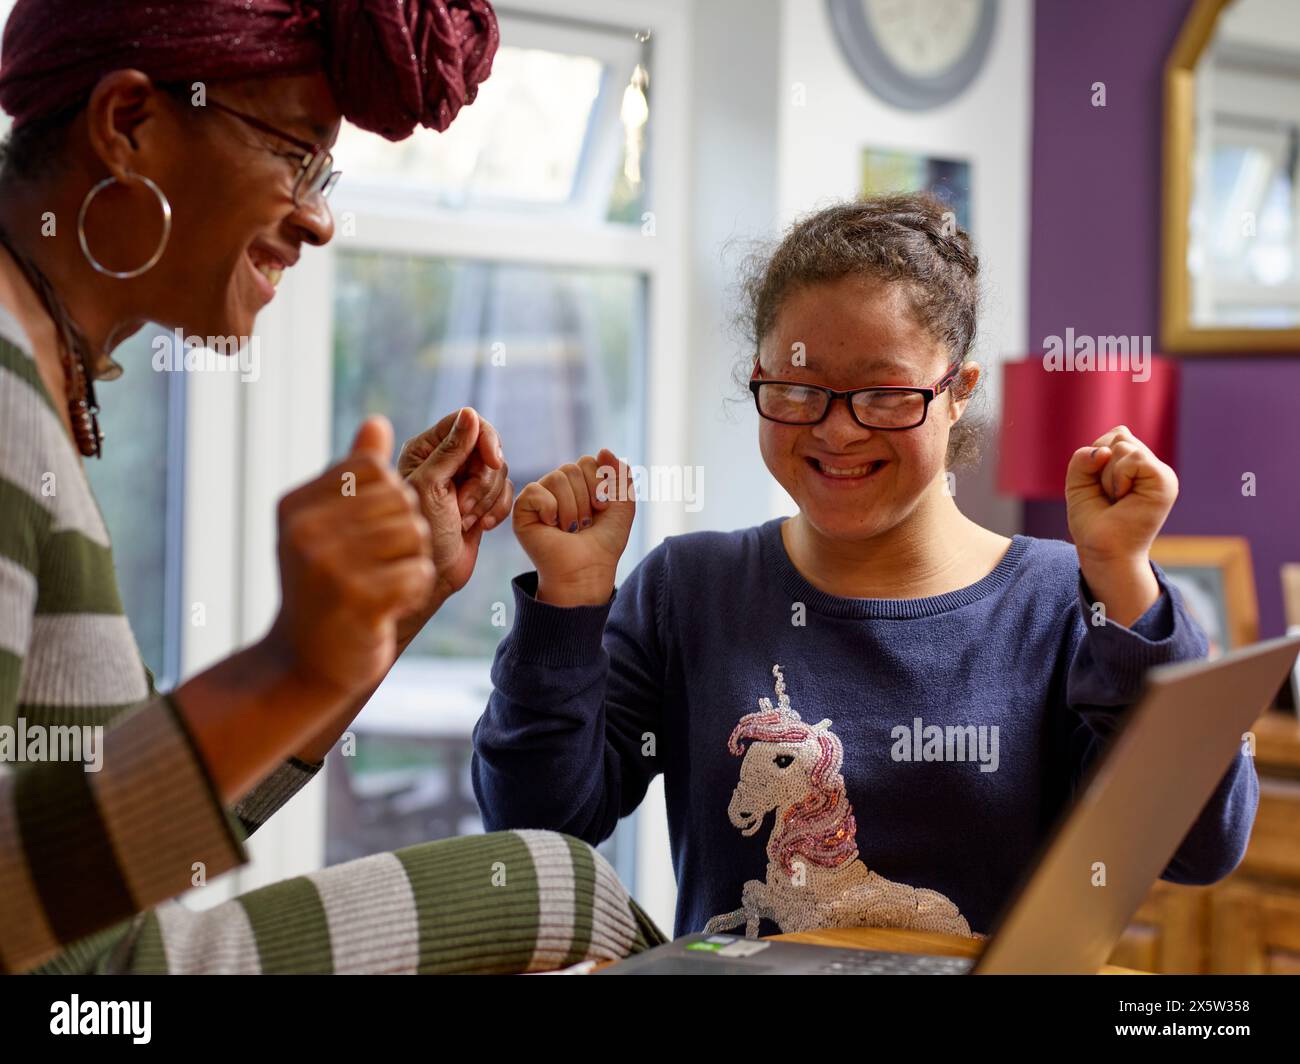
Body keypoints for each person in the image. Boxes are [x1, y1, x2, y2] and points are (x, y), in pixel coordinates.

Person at [0, 0, 663, 975]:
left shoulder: (36, 378)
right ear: (128, 124)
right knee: (562, 884)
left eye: (326, 173)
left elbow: (140, 842)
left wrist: (382, 619)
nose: (317, 218)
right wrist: (287, 666)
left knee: (566, 884)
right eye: (293, 154)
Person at [473, 193, 1258, 940]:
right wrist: (567, 606)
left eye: (884, 395)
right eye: (799, 388)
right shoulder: (689, 588)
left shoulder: (1063, 599)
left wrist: (1122, 576)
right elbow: (540, 827)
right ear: (758, 378)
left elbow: (1198, 845)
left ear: (958, 394)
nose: (837, 431)